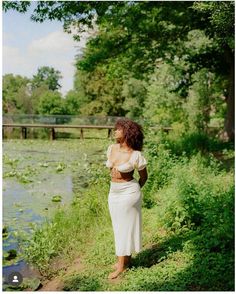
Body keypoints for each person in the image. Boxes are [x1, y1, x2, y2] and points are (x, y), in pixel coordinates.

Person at [105, 118, 148, 279]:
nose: (115, 131)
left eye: (118, 129)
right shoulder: (111, 149)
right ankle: (123, 261)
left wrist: (133, 191)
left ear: (127, 133)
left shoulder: (136, 155)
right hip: (113, 191)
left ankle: (122, 266)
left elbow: (143, 177)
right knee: (118, 226)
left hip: (129, 192)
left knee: (125, 227)